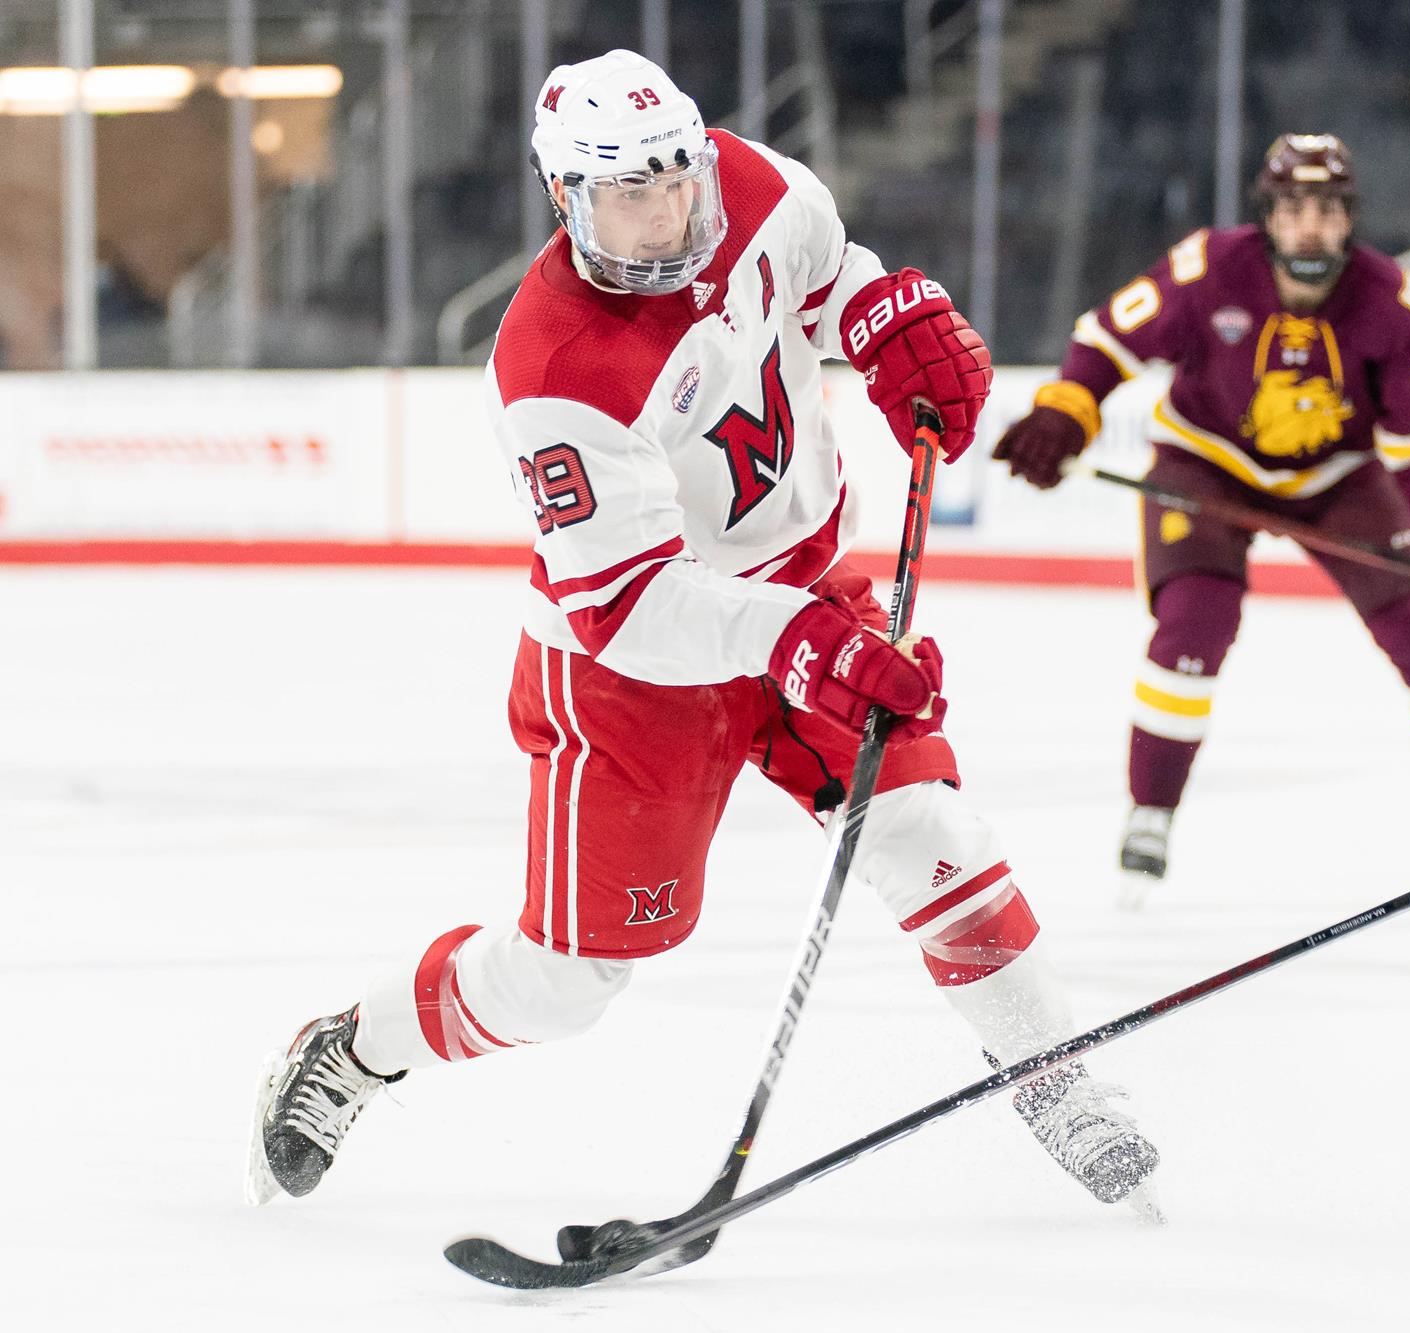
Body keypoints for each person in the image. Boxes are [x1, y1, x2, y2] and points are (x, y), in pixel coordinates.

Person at [245, 49, 1158, 1220]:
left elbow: (829, 275)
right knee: (570, 978)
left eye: (675, 178)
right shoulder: (554, 367)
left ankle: (1051, 1075)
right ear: (565, 196)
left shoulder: (758, 185)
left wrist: (887, 321)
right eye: (627, 192)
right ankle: (357, 1048)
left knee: (925, 826)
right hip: (632, 672)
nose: (667, 210)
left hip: (801, 589)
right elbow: (631, 606)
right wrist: (804, 643)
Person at [992, 134, 1410, 901]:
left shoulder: (1396, 305)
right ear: (1267, 216)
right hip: (1206, 463)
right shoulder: (1209, 266)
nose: (1308, 225)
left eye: (1326, 208)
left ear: (1349, 218)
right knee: (1194, 621)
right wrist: (1067, 407)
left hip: (1337, 477)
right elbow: (1108, 338)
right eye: (1292, 208)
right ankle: (1150, 811)